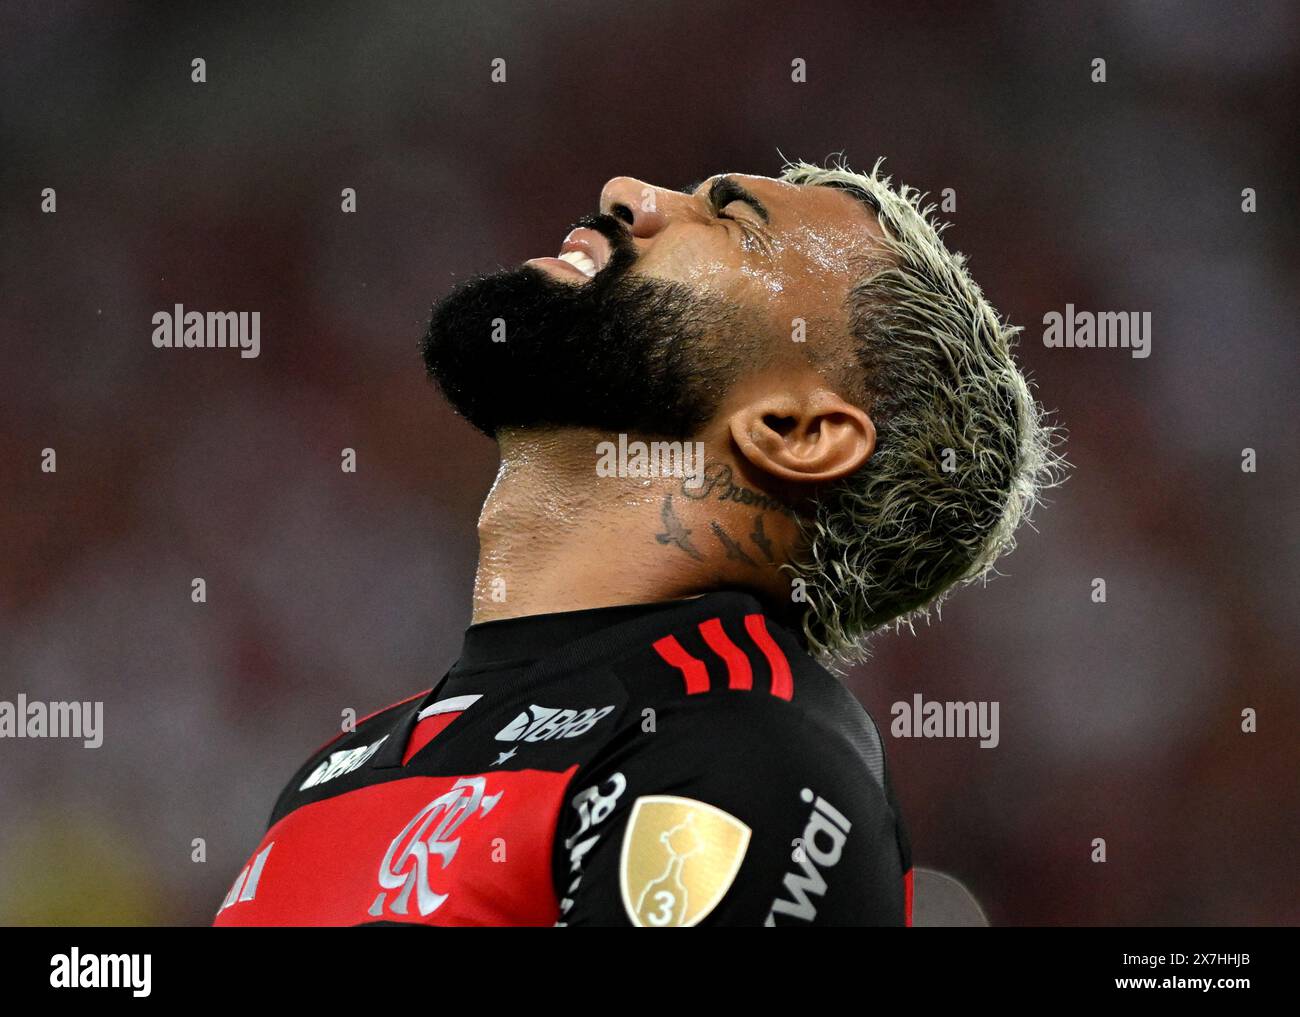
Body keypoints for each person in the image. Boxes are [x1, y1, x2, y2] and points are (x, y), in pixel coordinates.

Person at [214, 158, 1056, 926]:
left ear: (795, 430)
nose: (625, 192)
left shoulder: (743, 751)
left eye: (732, 221)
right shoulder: (347, 763)